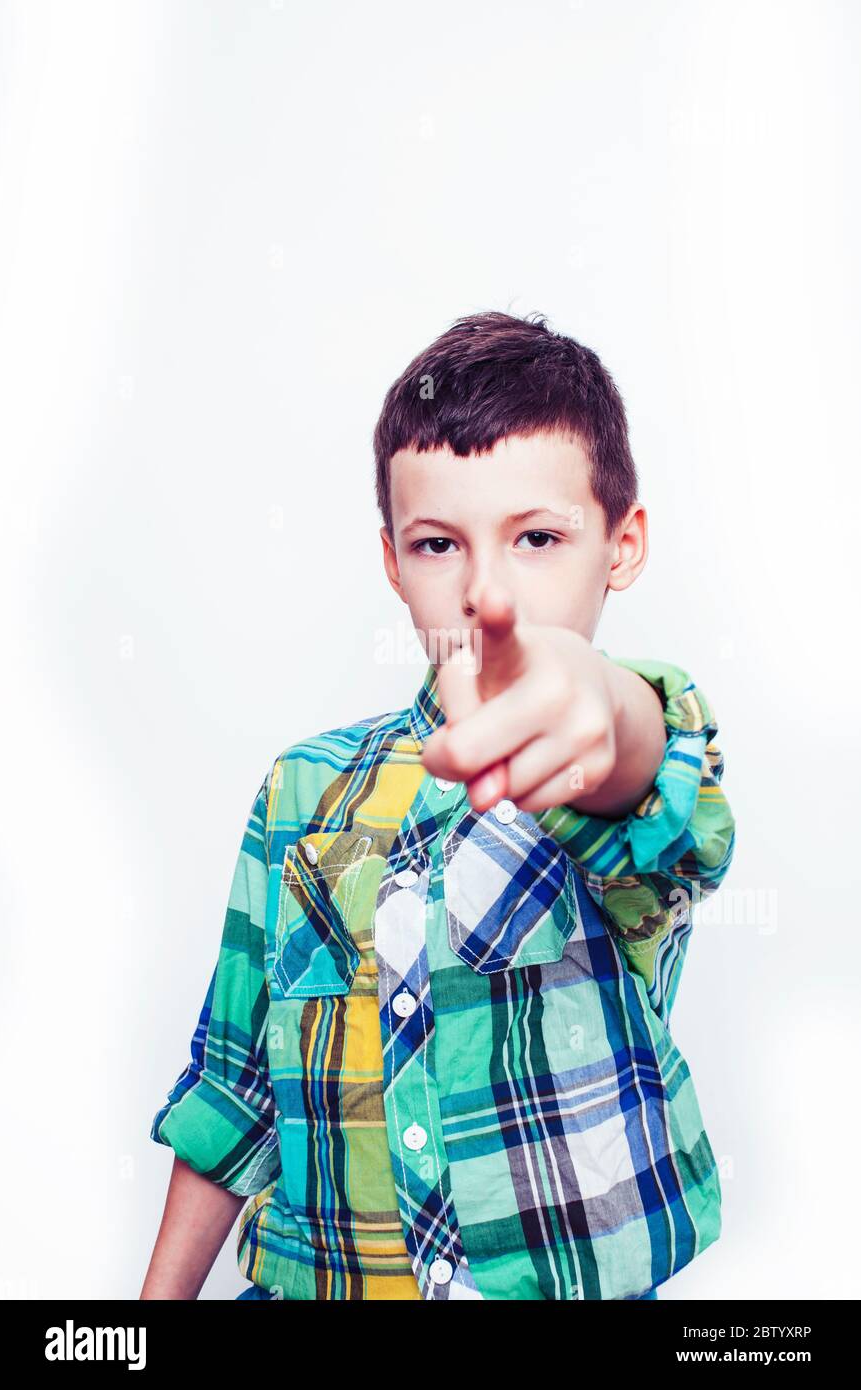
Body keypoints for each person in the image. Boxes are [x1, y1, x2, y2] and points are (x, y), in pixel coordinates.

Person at [140, 310, 735, 1301]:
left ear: (620, 544)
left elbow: (669, 805)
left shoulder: (617, 764)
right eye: (436, 544)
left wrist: (608, 708)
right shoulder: (305, 788)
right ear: (390, 560)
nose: (483, 589)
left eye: (537, 537)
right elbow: (232, 1090)